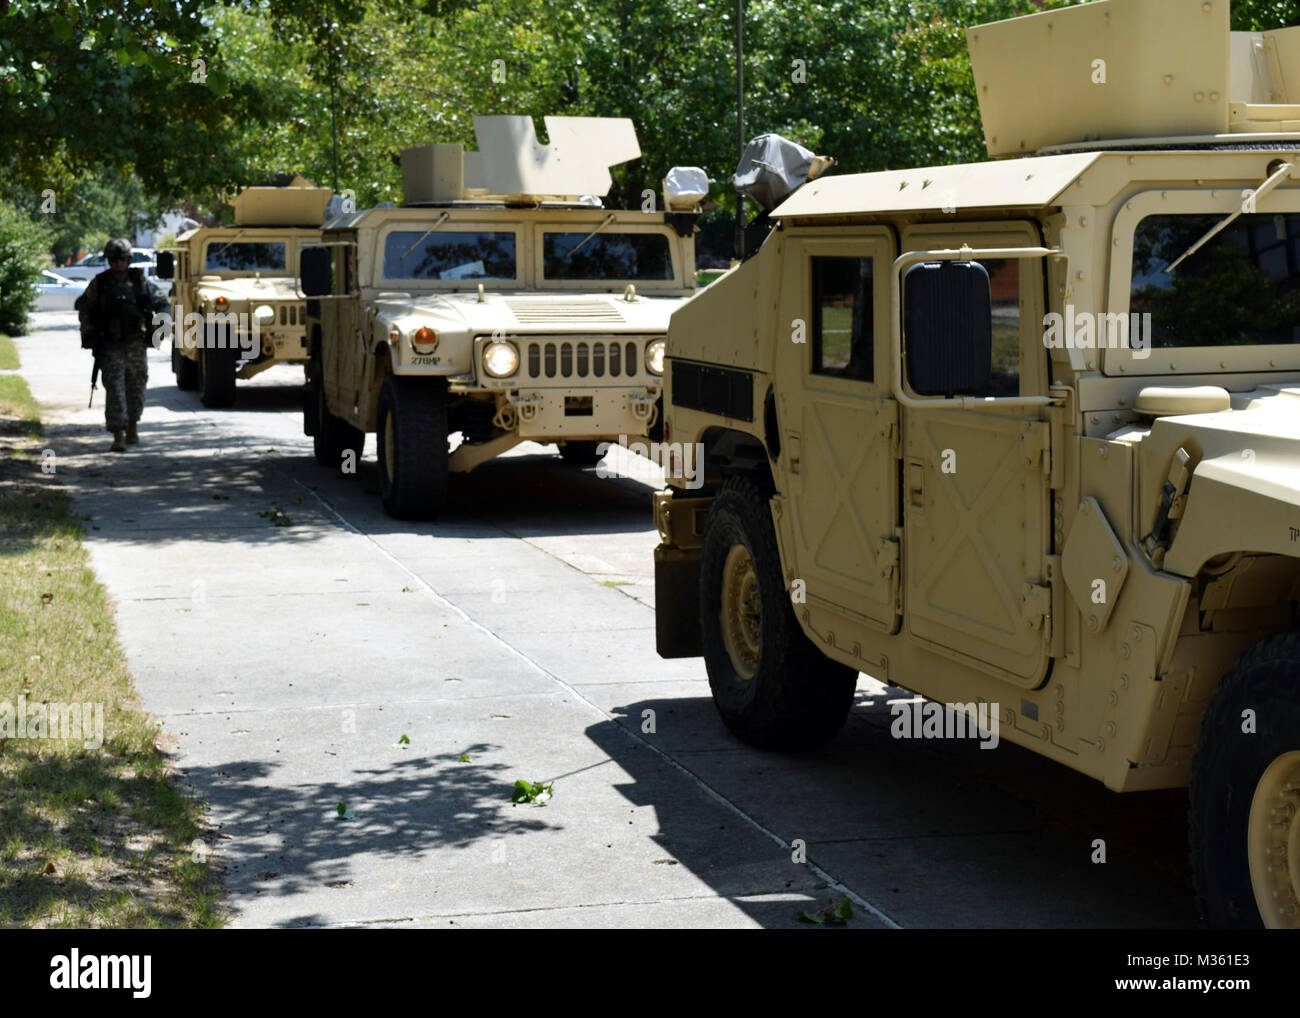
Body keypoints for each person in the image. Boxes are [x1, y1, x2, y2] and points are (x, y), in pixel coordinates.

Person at [77, 238, 168, 451]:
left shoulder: (139, 282)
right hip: (110, 345)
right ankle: (118, 433)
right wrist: (89, 333)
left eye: (122, 259)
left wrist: (163, 321)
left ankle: (132, 426)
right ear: (109, 261)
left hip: (136, 343)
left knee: (136, 386)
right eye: (114, 260)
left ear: (128, 260)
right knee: (115, 388)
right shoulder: (100, 283)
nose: (118, 264)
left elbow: (162, 302)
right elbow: (83, 306)